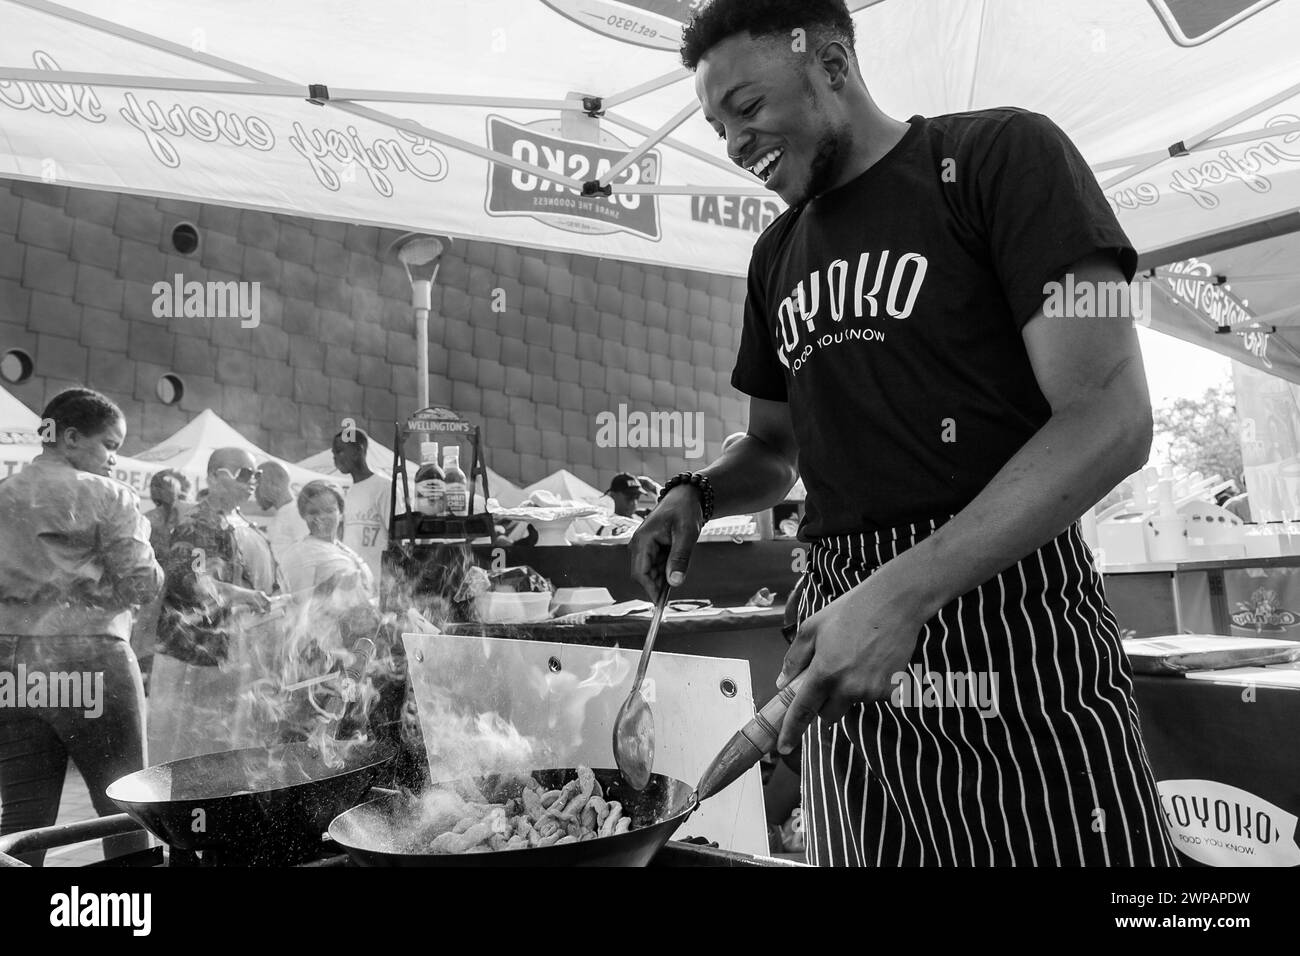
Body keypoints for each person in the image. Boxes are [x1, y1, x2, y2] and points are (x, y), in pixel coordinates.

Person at [631, 0, 1176, 867]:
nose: (734, 145)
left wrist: (901, 594)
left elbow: (1112, 415)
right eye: (716, 127)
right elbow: (774, 453)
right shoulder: (775, 255)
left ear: (834, 64)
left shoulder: (1007, 155)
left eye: (747, 107)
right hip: (840, 661)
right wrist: (697, 494)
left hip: (1014, 638)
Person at [0, 388, 162, 865]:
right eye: (110, 445)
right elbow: (141, 583)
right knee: (127, 808)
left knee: (23, 819)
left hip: (11, 662)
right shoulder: (107, 494)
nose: (115, 458)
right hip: (92, 656)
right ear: (70, 438)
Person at [149, 447, 275, 764]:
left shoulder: (240, 521)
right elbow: (190, 583)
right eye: (245, 474)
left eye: (257, 475)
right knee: (185, 752)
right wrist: (246, 596)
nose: (254, 481)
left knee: (219, 747)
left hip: (224, 653)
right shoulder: (197, 523)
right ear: (217, 476)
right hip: (190, 655)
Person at [130, 468, 191, 682]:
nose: (161, 492)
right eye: (158, 487)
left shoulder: (190, 517)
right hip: (157, 591)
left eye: (167, 487)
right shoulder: (146, 520)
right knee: (150, 643)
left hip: (183, 591)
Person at [280, 481, 375, 599]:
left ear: (340, 514)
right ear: (303, 515)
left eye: (329, 510)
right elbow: (298, 604)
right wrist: (328, 586)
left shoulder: (342, 548)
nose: (321, 517)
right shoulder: (301, 553)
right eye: (313, 512)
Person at [332, 428, 390, 586]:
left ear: (358, 451)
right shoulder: (348, 493)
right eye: (334, 454)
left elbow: (398, 539)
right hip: (355, 586)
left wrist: (391, 582)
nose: (335, 458)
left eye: (340, 452)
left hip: (380, 583)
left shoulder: (384, 487)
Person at [257, 461, 310, 565]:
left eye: (258, 485)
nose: (256, 493)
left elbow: (309, 556)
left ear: (272, 484)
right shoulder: (284, 513)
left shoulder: (298, 513)